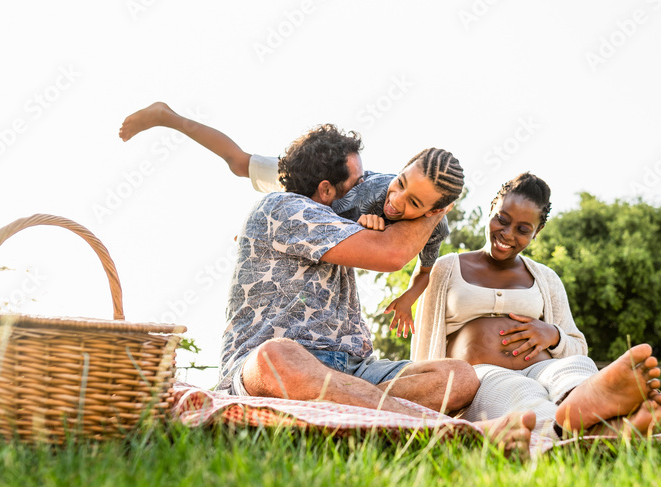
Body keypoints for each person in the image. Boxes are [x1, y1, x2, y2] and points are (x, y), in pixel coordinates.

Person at [125, 118, 535, 447]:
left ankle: (359, 414)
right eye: (357, 183)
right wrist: (435, 209)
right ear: (326, 190)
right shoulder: (281, 206)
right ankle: (450, 434)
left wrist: (432, 196)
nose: (373, 190)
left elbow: (400, 225)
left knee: (459, 376)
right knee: (277, 357)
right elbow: (393, 255)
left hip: (353, 371)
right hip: (273, 368)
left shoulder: (348, 213)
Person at [119, 101, 447, 337]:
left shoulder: (398, 208)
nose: (391, 197)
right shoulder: (338, 184)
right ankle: (167, 115)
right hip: (314, 179)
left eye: (416, 203)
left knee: (242, 169)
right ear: (329, 190)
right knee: (238, 162)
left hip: (322, 201)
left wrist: (407, 295)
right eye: (358, 181)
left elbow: (412, 259)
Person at [410, 172, 661, 439]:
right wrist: (427, 399)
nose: (507, 234)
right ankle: (600, 428)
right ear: (491, 208)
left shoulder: (546, 278)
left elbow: (577, 345)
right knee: (518, 391)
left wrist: (553, 335)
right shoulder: (444, 268)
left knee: (576, 367)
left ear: (537, 231)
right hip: (480, 376)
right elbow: (423, 340)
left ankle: (600, 414)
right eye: (502, 219)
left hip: (541, 367)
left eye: (522, 229)